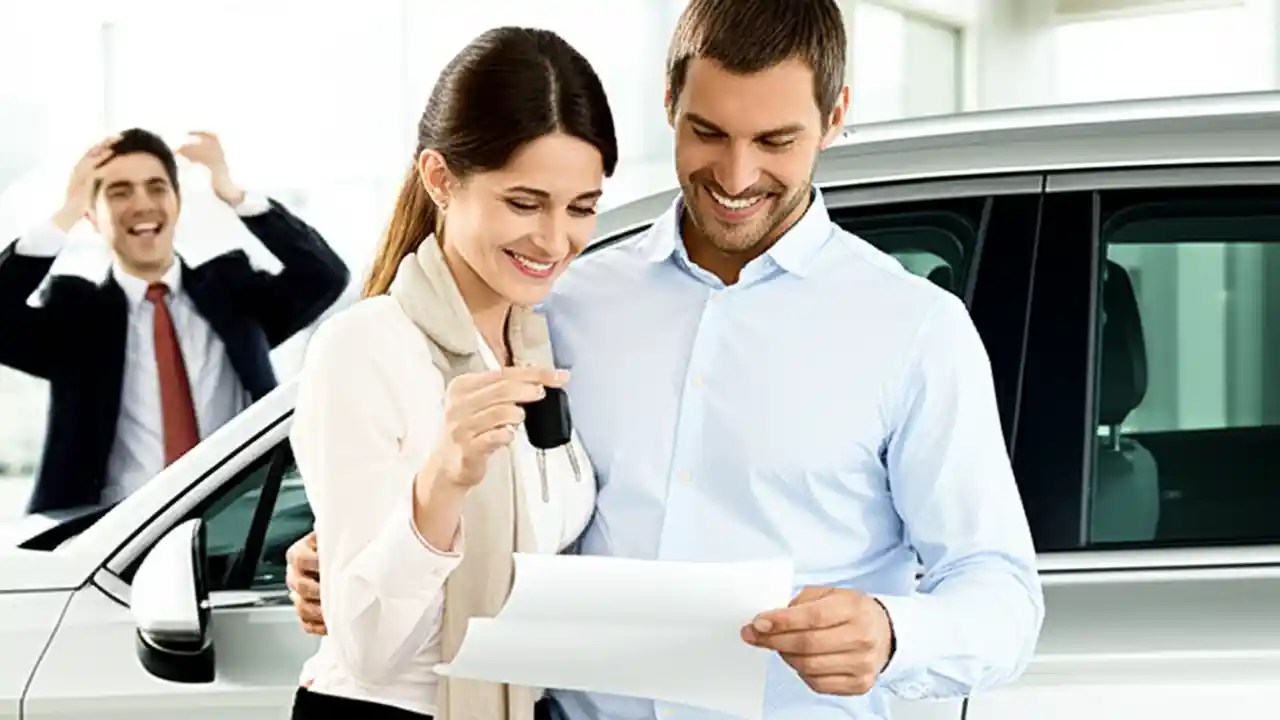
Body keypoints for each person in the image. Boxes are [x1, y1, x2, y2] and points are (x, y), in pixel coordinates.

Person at [287, 0, 1046, 717]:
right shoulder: (564, 300)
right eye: (708, 132)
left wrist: (893, 633)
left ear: (836, 116)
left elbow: (1000, 589)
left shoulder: (913, 330)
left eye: (776, 141)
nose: (737, 176)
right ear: (669, 104)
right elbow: (483, 501)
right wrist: (354, 555)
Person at [285, 26, 616, 720]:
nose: (554, 240)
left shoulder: (540, 340)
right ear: (440, 179)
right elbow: (367, 646)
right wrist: (444, 480)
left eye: (581, 208)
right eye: (523, 203)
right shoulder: (364, 348)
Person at [0, 128, 349, 514]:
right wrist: (65, 215)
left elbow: (324, 275)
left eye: (156, 188)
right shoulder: (76, 315)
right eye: (119, 192)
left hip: (238, 526)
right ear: (92, 216)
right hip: (115, 534)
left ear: (177, 203)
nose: (142, 204)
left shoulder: (232, 292)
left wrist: (233, 194)